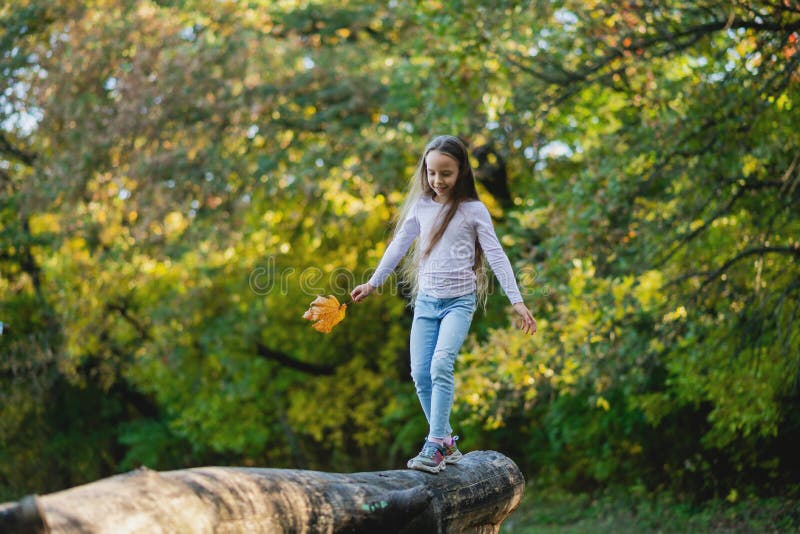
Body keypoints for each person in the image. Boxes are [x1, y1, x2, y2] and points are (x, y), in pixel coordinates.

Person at [350, 135, 537, 474]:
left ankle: (435, 443)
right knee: (420, 373)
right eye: (432, 173)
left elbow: (496, 254)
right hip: (425, 303)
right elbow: (398, 246)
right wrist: (374, 281)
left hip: (458, 303)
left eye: (446, 173)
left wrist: (517, 300)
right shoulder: (421, 206)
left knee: (440, 364)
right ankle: (447, 443)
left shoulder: (473, 210)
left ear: (461, 171)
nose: (438, 181)